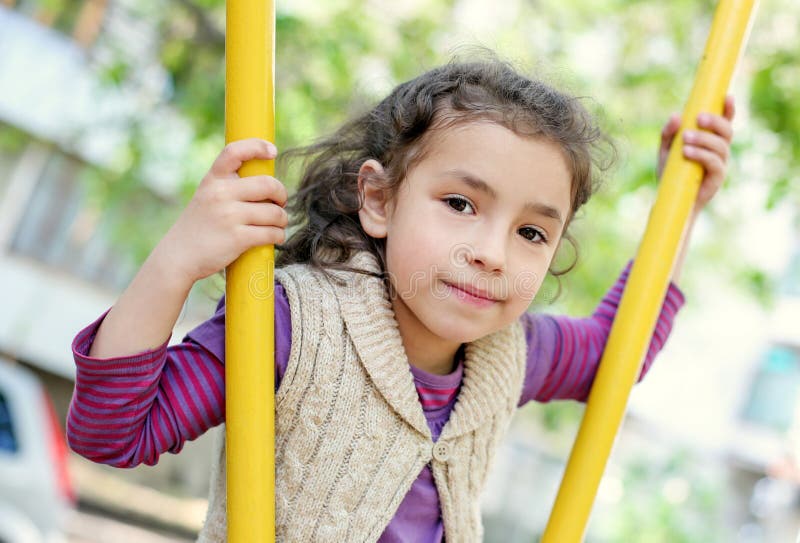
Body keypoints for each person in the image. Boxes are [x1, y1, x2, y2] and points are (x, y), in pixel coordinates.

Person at [66, 59, 735, 542]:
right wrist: (178, 257)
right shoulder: (292, 322)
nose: (493, 252)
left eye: (532, 231)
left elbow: (618, 353)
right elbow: (112, 431)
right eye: (460, 204)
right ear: (379, 199)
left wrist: (680, 208)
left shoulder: (511, 351)